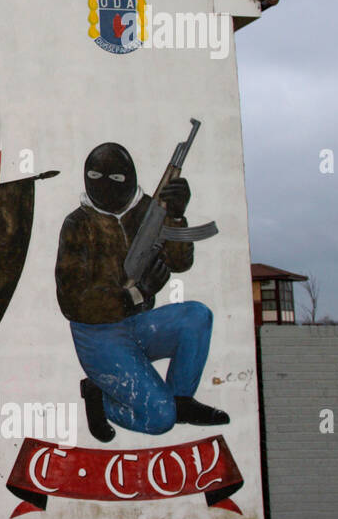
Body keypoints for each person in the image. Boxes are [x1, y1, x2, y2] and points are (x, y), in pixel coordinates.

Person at [55, 142, 228, 441]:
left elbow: (179, 262)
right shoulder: (78, 223)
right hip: (98, 337)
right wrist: (136, 294)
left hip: (139, 325)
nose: (105, 186)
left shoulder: (149, 210)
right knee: (159, 418)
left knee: (197, 316)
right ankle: (101, 398)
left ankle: (182, 400)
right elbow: (72, 301)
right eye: (95, 176)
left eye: (116, 180)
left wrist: (175, 215)